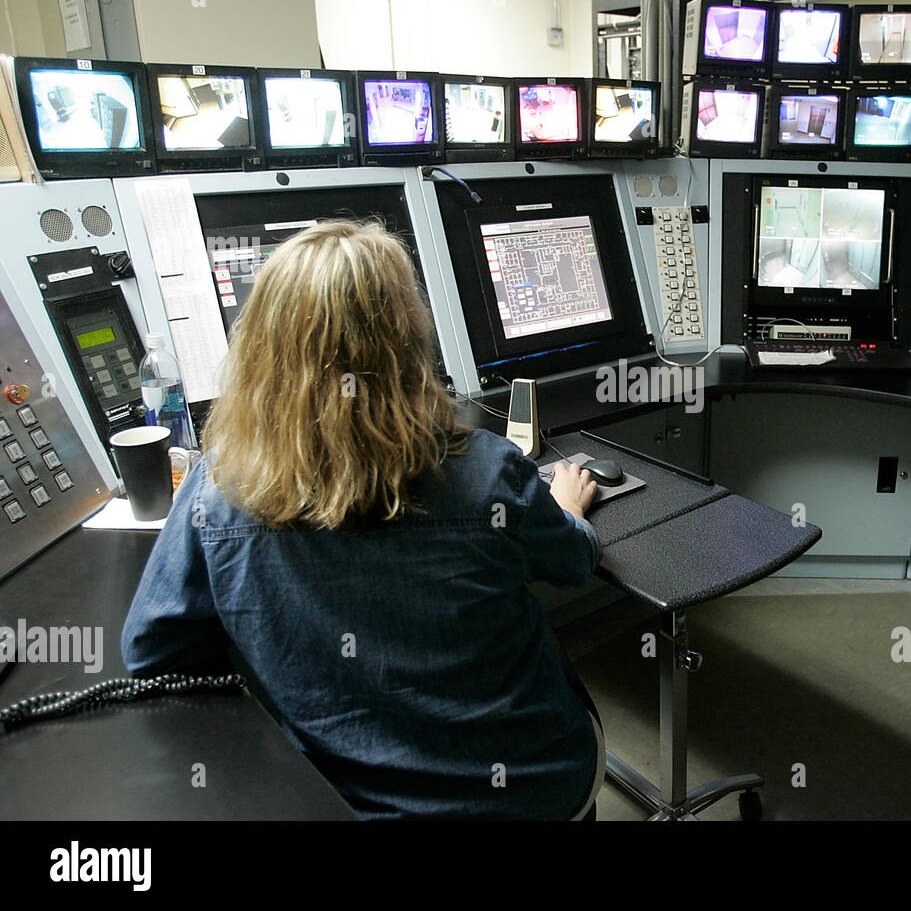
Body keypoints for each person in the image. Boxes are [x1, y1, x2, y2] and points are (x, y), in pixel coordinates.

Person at [121, 220, 604, 820]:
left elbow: (150, 652)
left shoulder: (215, 490)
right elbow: (572, 564)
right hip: (535, 794)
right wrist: (566, 510)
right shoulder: (490, 473)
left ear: (260, 350)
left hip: (349, 804)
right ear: (406, 340)